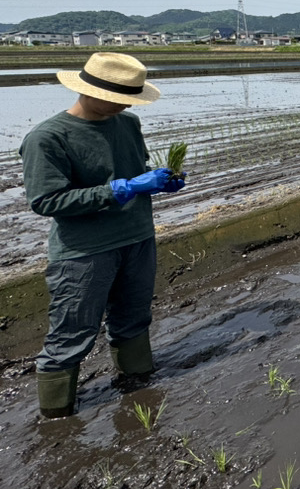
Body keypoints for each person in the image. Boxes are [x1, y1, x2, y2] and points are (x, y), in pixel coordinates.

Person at [19, 52, 187, 419]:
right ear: (87, 89)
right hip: (84, 252)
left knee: (133, 319)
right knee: (71, 335)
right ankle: (56, 421)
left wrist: (156, 182)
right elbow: (47, 201)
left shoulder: (127, 124)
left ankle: (137, 387)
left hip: (138, 237)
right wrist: (121, 188)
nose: (123, 104)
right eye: (117, 97)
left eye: (129, 97)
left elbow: (134, 169)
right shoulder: (48, 138)